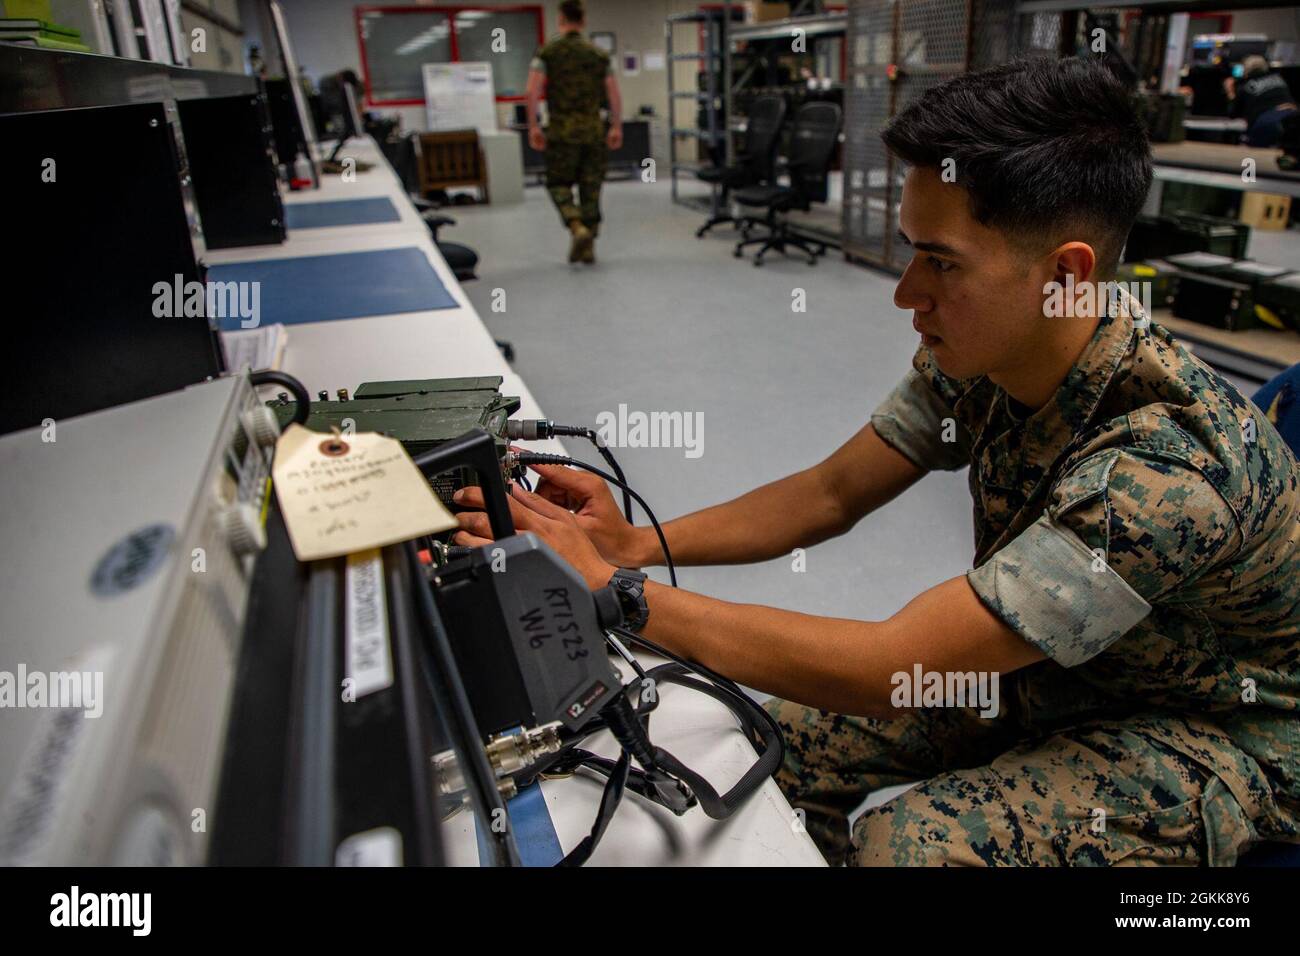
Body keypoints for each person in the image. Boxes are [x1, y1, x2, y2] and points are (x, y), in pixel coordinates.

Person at [453, 56, 1300, 866]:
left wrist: (616, 594)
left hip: (1219, 729)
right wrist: (635, 544)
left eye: (941, 262)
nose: (905, 293)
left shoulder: (1166, 472)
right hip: (1069, 672)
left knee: (913, 844)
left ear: (1066, 277)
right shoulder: (988, 349)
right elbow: (829, 492)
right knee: (757, 742)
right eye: (911, 249)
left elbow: (895, 668)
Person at [524, 0, 622, 264]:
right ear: (583, 20)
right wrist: (615, 126)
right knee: (591, 188)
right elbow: (613, 93)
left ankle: (576, 226)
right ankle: (588, 243)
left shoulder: (547, 53)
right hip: (592, 131)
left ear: (560, 19)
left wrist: (533, 125)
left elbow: (531, 91)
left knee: (558, 183)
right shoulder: (599, 55)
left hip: (561, 132)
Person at [1227, 55, 1297, 147]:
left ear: (1246, 69)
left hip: (1269, 121)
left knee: (1246, 149)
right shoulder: (1278, 78)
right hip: (1293, 113)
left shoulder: (1245, 86)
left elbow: (1233, 114)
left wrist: (1230, 92)